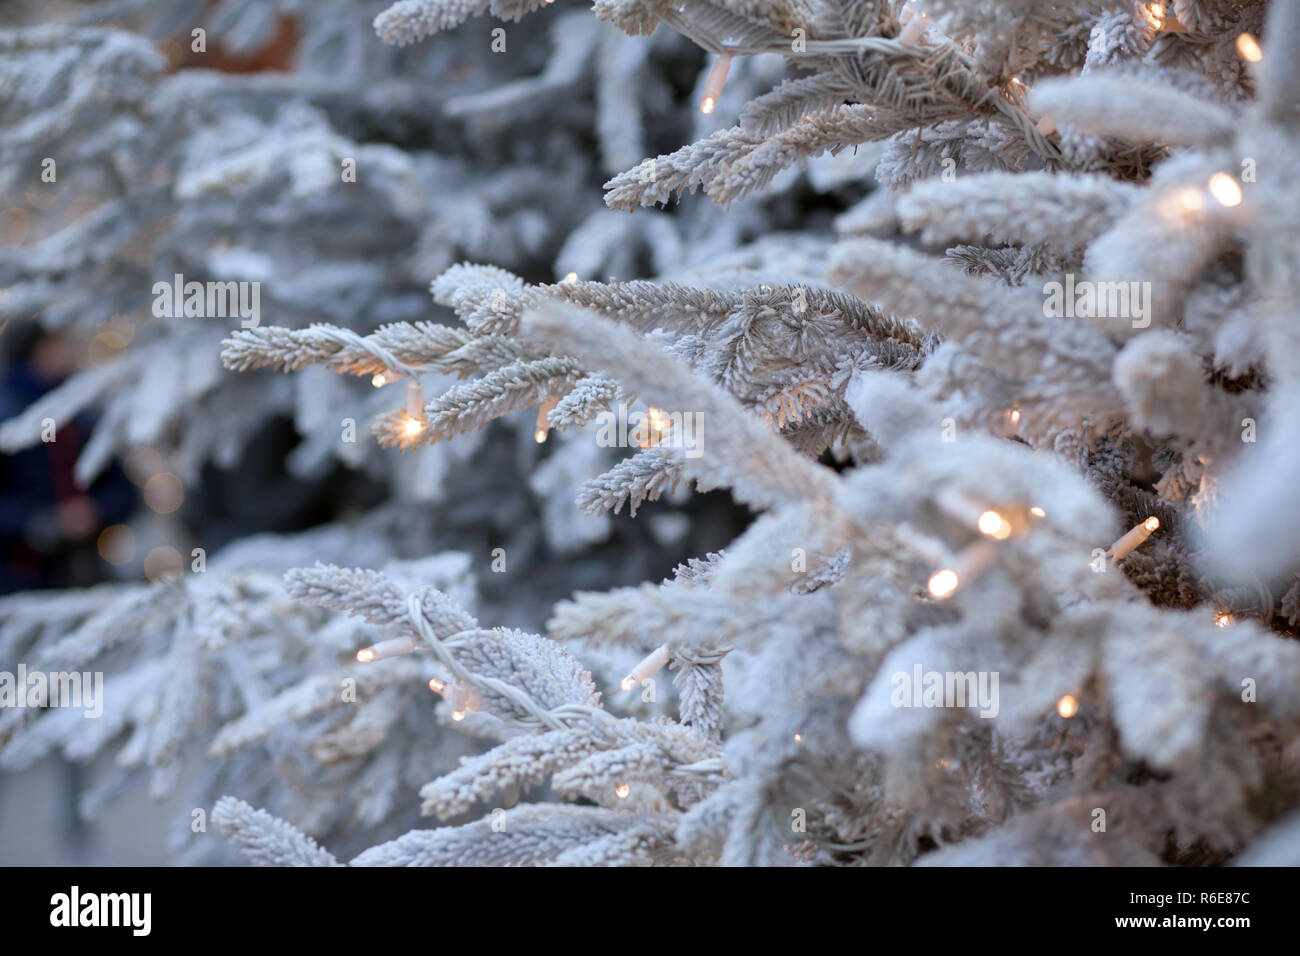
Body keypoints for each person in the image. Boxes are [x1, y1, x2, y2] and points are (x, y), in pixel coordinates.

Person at [0, 324, 135, 593]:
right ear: (37, 351)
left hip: (85, 569)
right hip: (17, 575)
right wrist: (42, 520)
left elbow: (124, 489)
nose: (69, 353)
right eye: (59, 344)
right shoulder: (8, 420)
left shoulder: (81, 414)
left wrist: (95, 509)